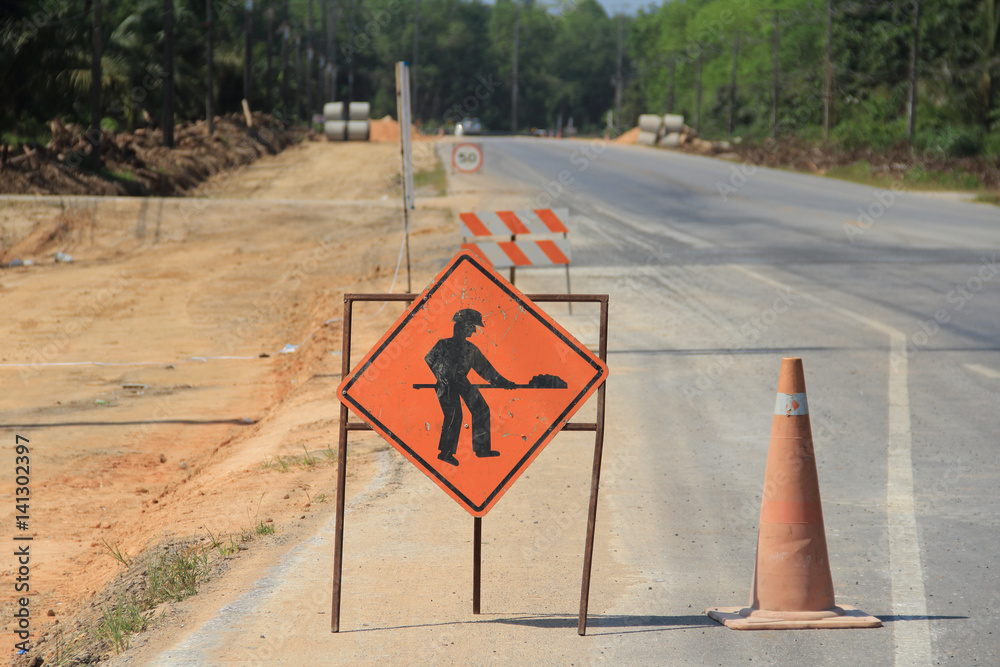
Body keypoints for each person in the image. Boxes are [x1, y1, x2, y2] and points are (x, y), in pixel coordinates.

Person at [425, 309, 516, 466]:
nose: (474, 331)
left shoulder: (471, 349)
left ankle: (482, 449)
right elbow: (429, 358)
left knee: (481, 409)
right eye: (472, 327)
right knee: (454, 415)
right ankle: (445, 453)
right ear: (464, 327)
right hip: (445, 385)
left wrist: (504, 383)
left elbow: (486, 371)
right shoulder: (443, 344)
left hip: (462, 381)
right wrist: (440, 375)